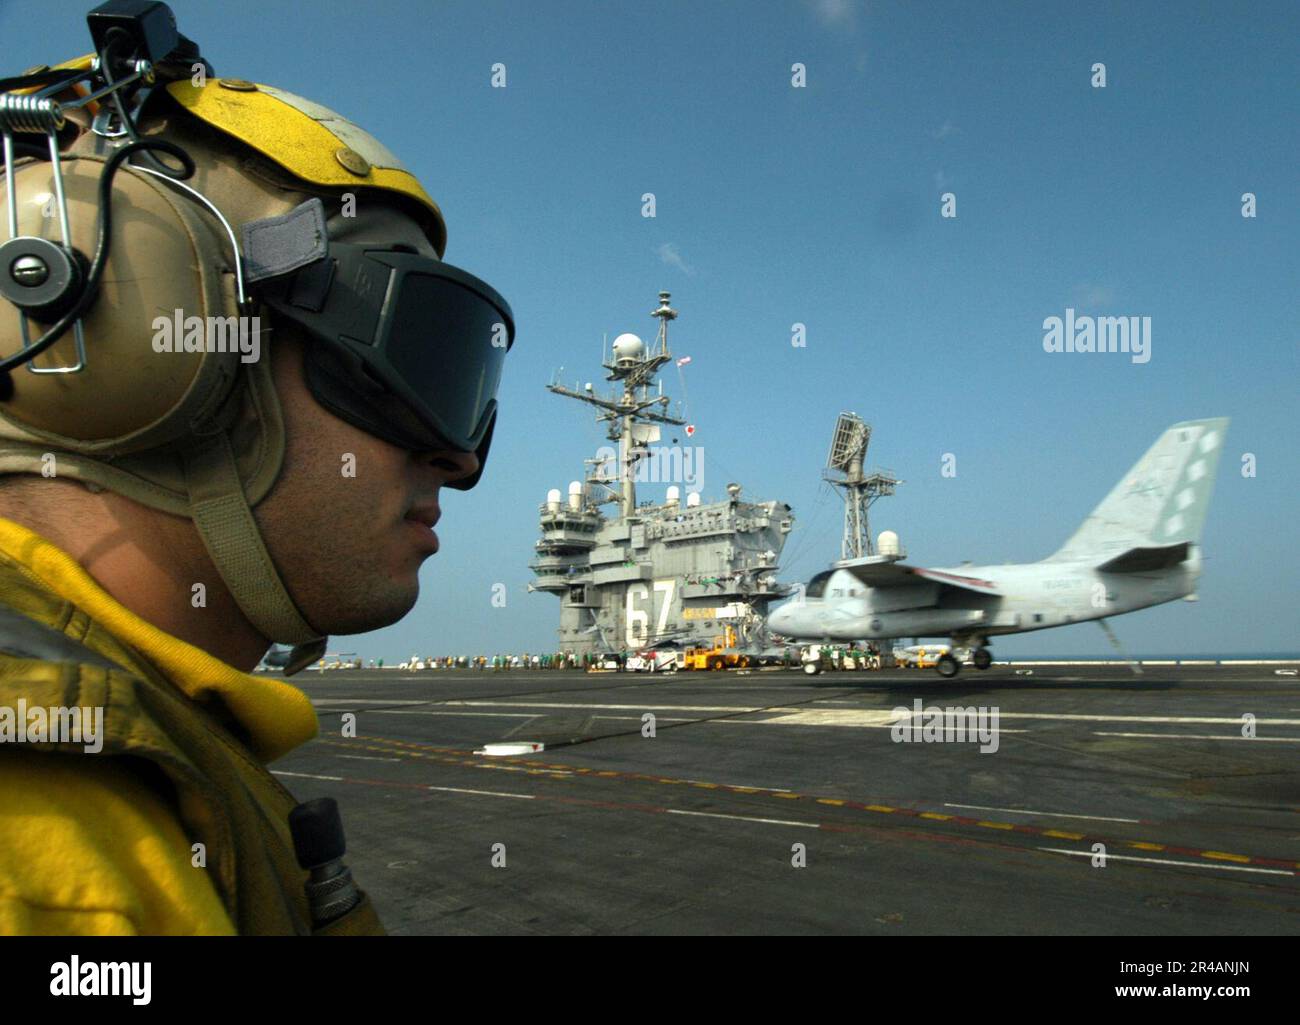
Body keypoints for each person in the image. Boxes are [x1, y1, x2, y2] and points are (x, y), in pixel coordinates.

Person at [0, 6, 513, 935]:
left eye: (462, 380)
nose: (459, 455)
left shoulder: (147, 750)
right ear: (135, 340)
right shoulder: (50, 840)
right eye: (402, 356)